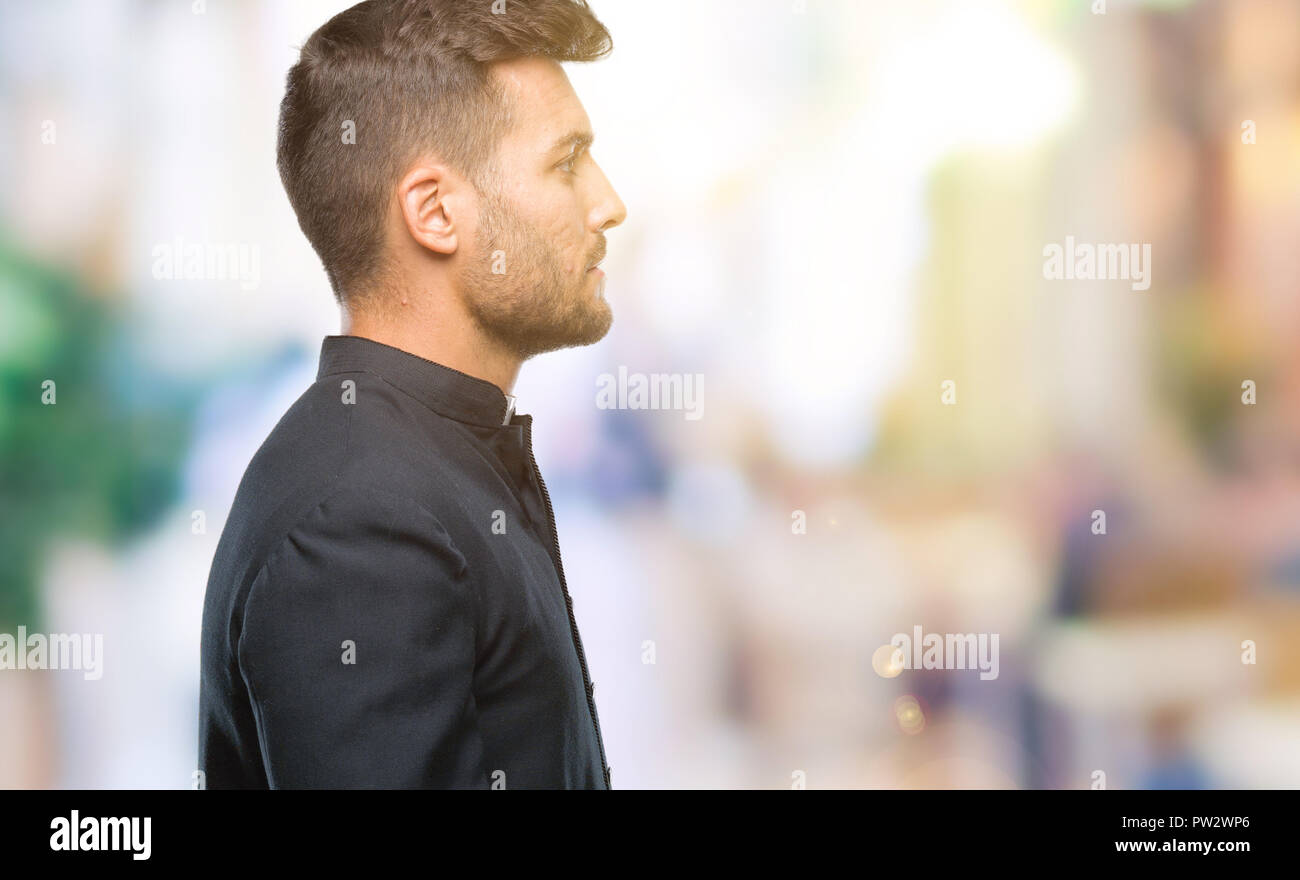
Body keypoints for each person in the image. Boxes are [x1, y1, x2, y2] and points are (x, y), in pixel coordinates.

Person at [199, 0, 627, 789]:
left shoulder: (430, 464)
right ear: (434, 212)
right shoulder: (363, 521)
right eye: (566, 162)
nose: (608, 204)